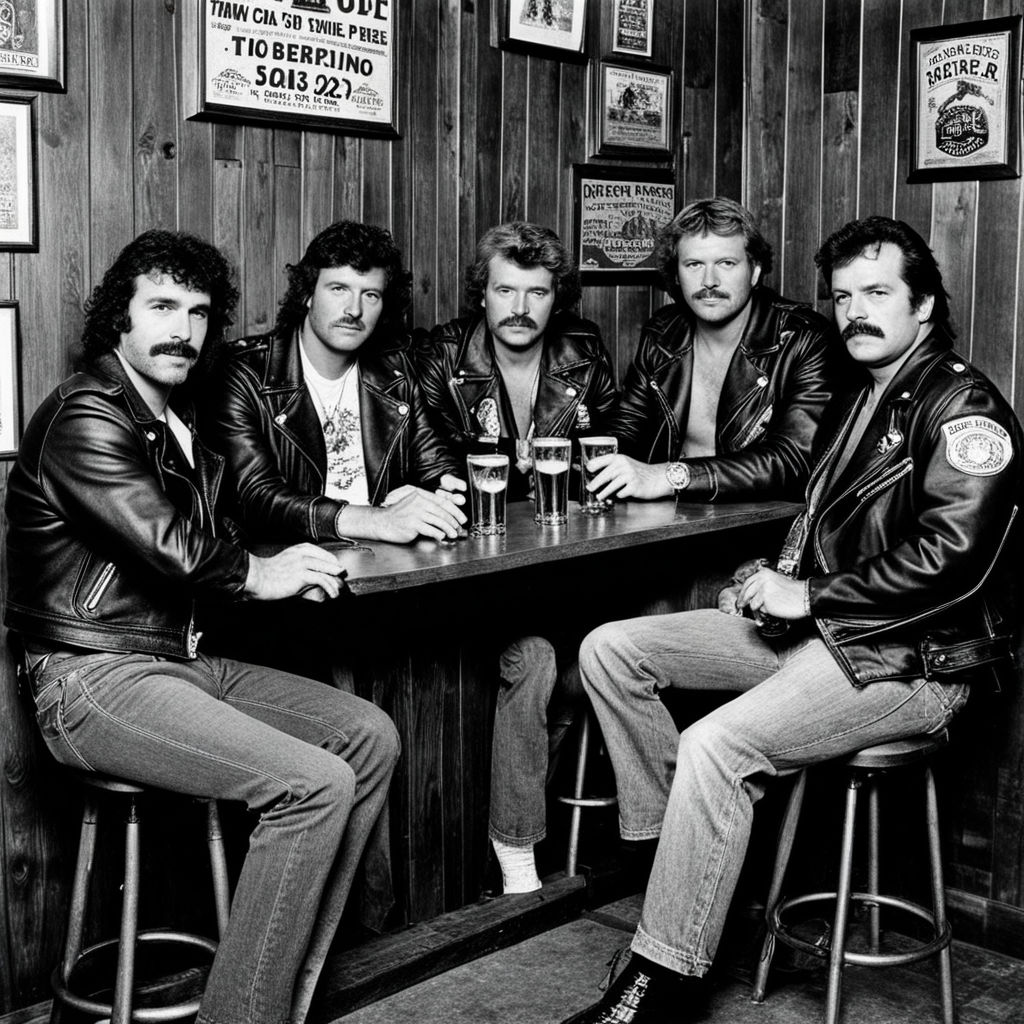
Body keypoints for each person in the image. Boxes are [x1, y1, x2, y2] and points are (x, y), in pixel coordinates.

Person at [563, 216, 1022, 1023]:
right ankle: (687, 860)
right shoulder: (868, 388)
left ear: (924, 306)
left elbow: (955, 560)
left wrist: (809, 596)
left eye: (878, 293)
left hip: (913, 665)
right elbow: (825, 519)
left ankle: (660, 981)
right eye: (844, 296)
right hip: (826, 636)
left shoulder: (962, 404)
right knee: (612, 650)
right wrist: (772, 574)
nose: (855, 312)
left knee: (715, 743)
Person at [3, 230, 401, 1024]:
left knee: (367, 736)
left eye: (198, 312)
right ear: (119, 318)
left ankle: (277, 998)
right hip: (91, 678)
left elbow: (225, 531)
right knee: (313, 784)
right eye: (161, 307)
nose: (182, 329)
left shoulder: (171, 425)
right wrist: (264, 571)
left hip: (176, 660)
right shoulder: (86, 412)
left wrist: (300, 556)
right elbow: (174, 547)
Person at [415, 221, 618, 894]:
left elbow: (611, 449)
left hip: (566, 569)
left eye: (537, 292)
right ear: (483, 294)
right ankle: (518, 862)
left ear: (556, 298)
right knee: (536, 659)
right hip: (473, 576)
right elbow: (434, 462)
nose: (521, 308)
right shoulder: (443, 355)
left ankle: (527, 836)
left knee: (587, 660)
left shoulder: (583, 352)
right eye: (506, 290)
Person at [206, 219, 466, 547]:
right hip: (291, 566)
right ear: (308, 295)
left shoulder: (395, 373)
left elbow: (440, 467)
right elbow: (258, 498)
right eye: (339, 289)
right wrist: (377, 519)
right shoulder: (246, 374)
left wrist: (439, 497)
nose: (354, 310)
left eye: (370, 294)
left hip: (386, 562)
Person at [587, 197, 837, 505]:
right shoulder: (662, 333)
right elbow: (626, 426)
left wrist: (669, 476)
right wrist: (590, 466)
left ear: (755, 271)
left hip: (760, 528)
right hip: (666, 523)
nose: (709, 281)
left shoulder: (802, 337)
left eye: (726, 263)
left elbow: (793, 459)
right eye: (694, 265)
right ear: (676, 275)